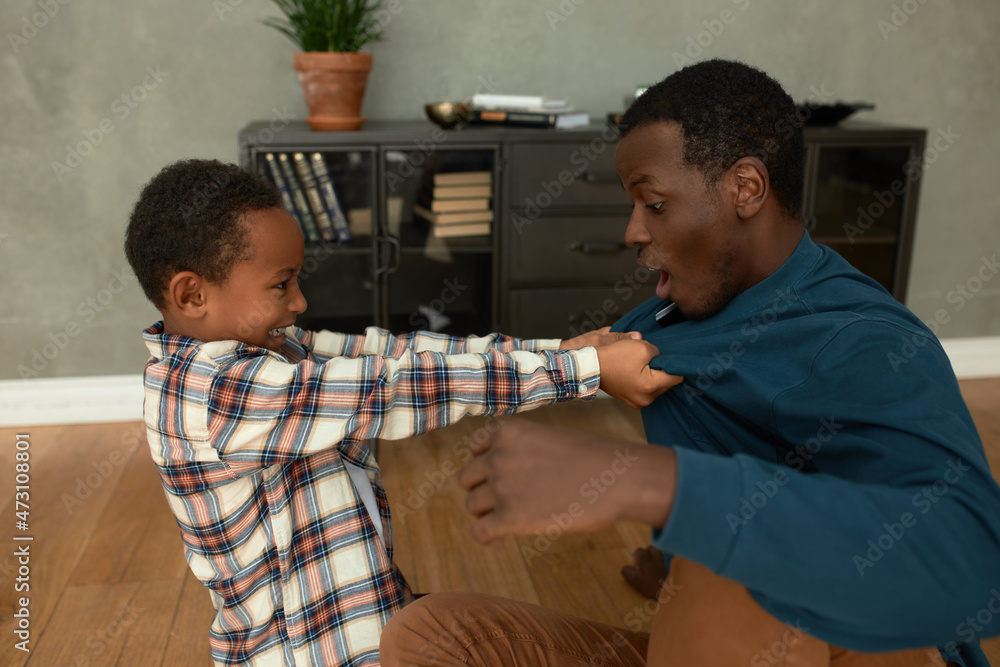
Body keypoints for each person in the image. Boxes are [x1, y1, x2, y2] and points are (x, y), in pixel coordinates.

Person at [379, 59, 1000, 666]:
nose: (632, 232)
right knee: (430, 634)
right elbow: (559, 360)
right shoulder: (669, 319)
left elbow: (978, 563)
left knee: (726, 566)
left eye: (653, 204)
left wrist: (648, 482)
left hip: (880, 644)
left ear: (745, 188)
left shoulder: (864, 341)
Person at [122, 158, 676, 667]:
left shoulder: (275, 350)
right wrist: (581, 372)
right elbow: (395, 388)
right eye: (281, 284)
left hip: (359, 619)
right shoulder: (212, 394)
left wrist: (561, 351)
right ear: (192, 295)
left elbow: (396, 354)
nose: (300, 301)